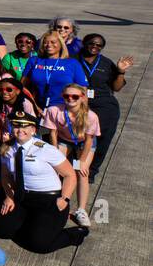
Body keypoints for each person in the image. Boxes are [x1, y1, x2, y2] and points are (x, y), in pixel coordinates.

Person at [0, 110, 84, 253]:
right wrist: (9, 196)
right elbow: (6, 176)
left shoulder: (45, 149)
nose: (20, 130)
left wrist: (64, 199)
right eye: (16, 126)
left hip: (48, 200)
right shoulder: (7, 149)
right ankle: (32, 226)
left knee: (39, 245)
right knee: (0, 230)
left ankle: (76, 234)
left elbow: (70, 174)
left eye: (25, 126)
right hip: (22, 197)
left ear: (33, 130)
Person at [41, 83, 101, 227]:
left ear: (82, 97)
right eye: (67, 96)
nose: (70, 99)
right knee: (55, 169)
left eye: (75, 96)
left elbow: (89, 140)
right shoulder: (54, 110)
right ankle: (54, 202)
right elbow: (53, 134)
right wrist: (55, 154)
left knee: (82, 172)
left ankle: (81, 210)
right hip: (63, 140)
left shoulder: (91, 116)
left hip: (83, 143)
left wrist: (81, 161)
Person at [74, 33, 133, 174]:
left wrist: (120, 72)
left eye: (99, 45)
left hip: (104, 104)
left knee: (102, 139)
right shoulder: (73, 60)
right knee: (77, 138)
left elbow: (116, 88)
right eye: (91, 43)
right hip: (78, 103)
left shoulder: (106, 63)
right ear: (84, 43)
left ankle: (92, 171)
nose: (95, 46)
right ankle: (77, 168)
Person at [21, 30, 87, 109]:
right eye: (45, 42)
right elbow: (23, 86)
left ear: (61, 44)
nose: (49, 45)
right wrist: (32, 105)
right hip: (37, 108)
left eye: (53, 42)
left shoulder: (72, 63)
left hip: (64, 109)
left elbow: (83, 90)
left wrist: (84, 110)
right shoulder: (34, 60)